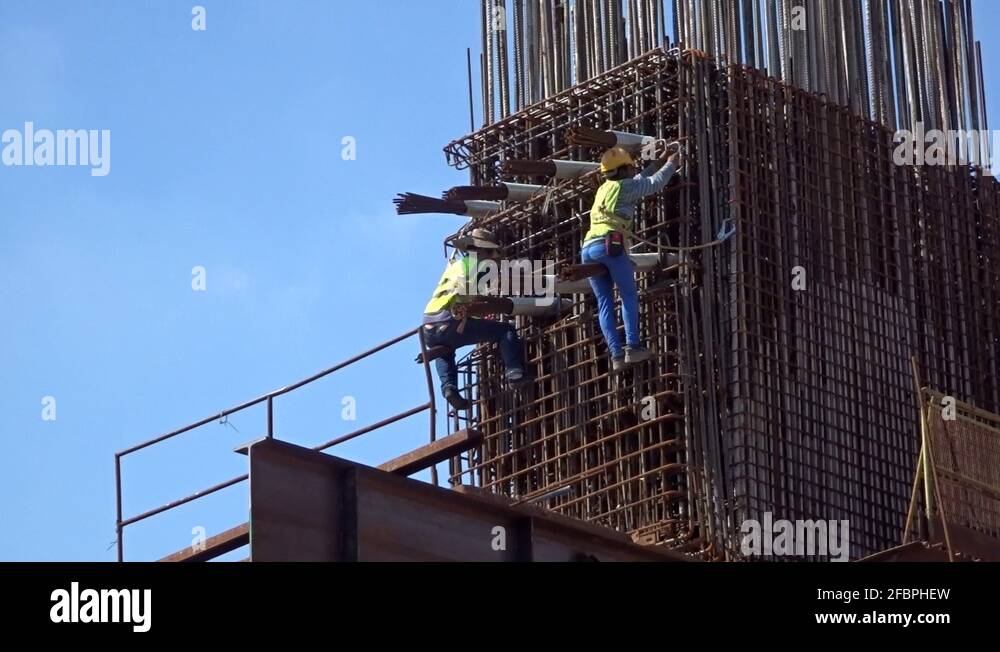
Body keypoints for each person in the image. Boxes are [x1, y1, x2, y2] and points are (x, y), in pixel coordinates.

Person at [582, 144, 681, 372]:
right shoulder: (625, 187)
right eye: (630, 167)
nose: (632, 169)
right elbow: (653, 184)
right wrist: (671, 163)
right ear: (624, 169)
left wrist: (657, 162)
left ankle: (616, 354)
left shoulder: (606, 188)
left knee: (605, 302)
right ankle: (633, 347)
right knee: (627, 295)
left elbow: (637, 179)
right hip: (609, 245)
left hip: (588, 247)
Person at [422, 228, 528, 409]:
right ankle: (515, 373)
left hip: (428, 327)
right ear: (483, 250)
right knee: (505, 331)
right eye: (491, 253)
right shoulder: (478, 265)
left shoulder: (456, 265)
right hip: (451, 321)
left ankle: (449, 387)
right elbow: (476, 301)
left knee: (444, 350)